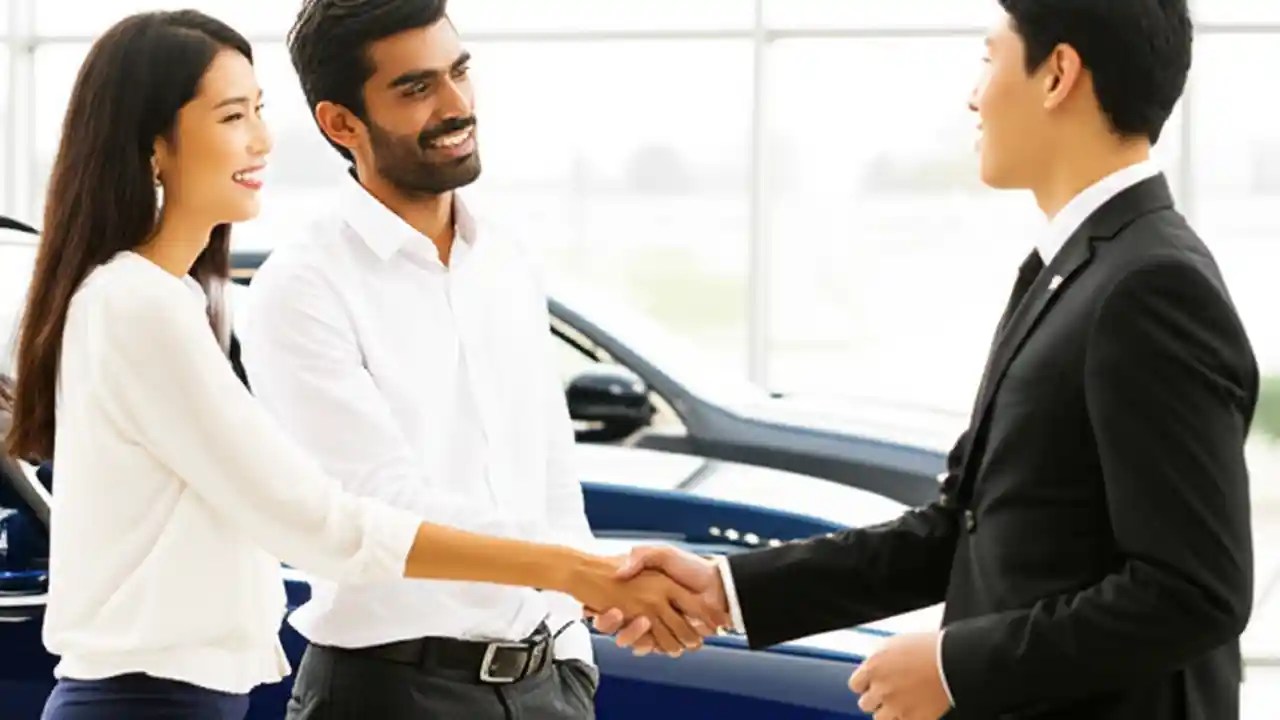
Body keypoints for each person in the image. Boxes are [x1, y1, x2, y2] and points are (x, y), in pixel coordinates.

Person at [3, 11, 721, 720]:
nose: (261, 139)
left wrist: (567, 631)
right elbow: (322, 521)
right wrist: (577, 572)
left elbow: (545, 475)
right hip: (164, 701)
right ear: (153, 146)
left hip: (191, 700)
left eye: (258, 109)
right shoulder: (144, 305)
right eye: (231, 117)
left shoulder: (171, 300)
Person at [597, 1, 1259, 719]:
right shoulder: (1073, 268)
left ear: (1058, 74)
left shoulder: (1151, 285)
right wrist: (725, 591)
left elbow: (1194, 592)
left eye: (989, 57)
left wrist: (954, 667)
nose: (974, 95)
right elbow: (962, 527)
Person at [238, 2, 704, 718]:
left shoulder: (507, 260)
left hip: (549, 683)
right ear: (341, 124)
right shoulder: (300, 288)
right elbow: (381, 511)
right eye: (417, 88)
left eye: (459, 72)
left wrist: (572, 649)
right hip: (391, 693)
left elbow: (550, 473)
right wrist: (588, 575)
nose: (457, 106)